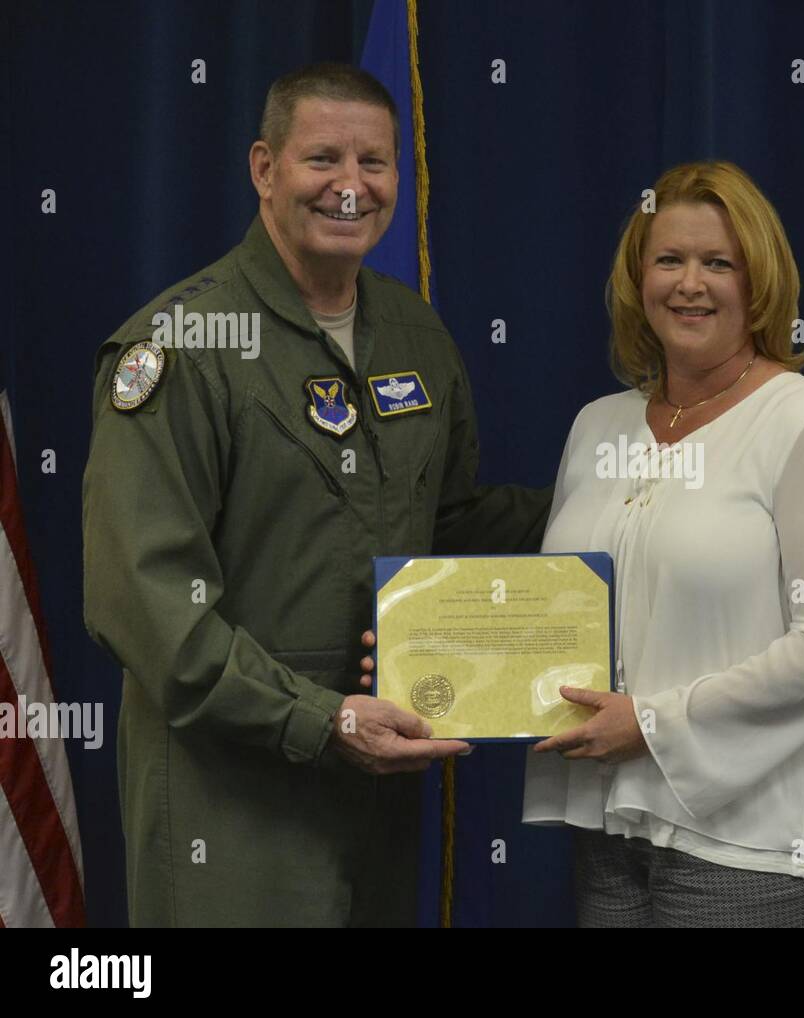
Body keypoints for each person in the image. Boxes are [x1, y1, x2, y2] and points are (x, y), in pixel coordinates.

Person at [82, 63, 549, 927]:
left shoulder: (416, 334)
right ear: (265, 169)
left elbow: (443, 528)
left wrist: (622, 502)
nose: (350, 188)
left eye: (373, 164)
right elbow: (150, 610)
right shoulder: (179, 348)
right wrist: (324, 720)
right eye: (322, 159)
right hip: (230, 814)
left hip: (376, 811)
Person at [519, 161, 804, 927]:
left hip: (751, 849)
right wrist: (422, 663)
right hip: (609, 835)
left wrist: (652, 725)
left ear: (759, 282)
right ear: (637, 277)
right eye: (670, 260)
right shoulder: (598, 425)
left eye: (719, 263)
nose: (691, 284)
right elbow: (555, 615)